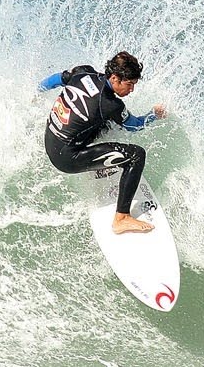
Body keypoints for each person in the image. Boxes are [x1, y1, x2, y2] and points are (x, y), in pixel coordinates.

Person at [39, 50, 167, 234]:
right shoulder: (110, 104)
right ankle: (121, 218)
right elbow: (135, 126)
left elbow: (55, 79)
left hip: (51, 136)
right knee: (136, 155)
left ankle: (99, 159)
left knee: (103, 122)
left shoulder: (83, 72)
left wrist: (37, 93)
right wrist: (154, 115)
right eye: (129, 84)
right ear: (114, 78)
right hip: (65, 158)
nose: (131, 90)